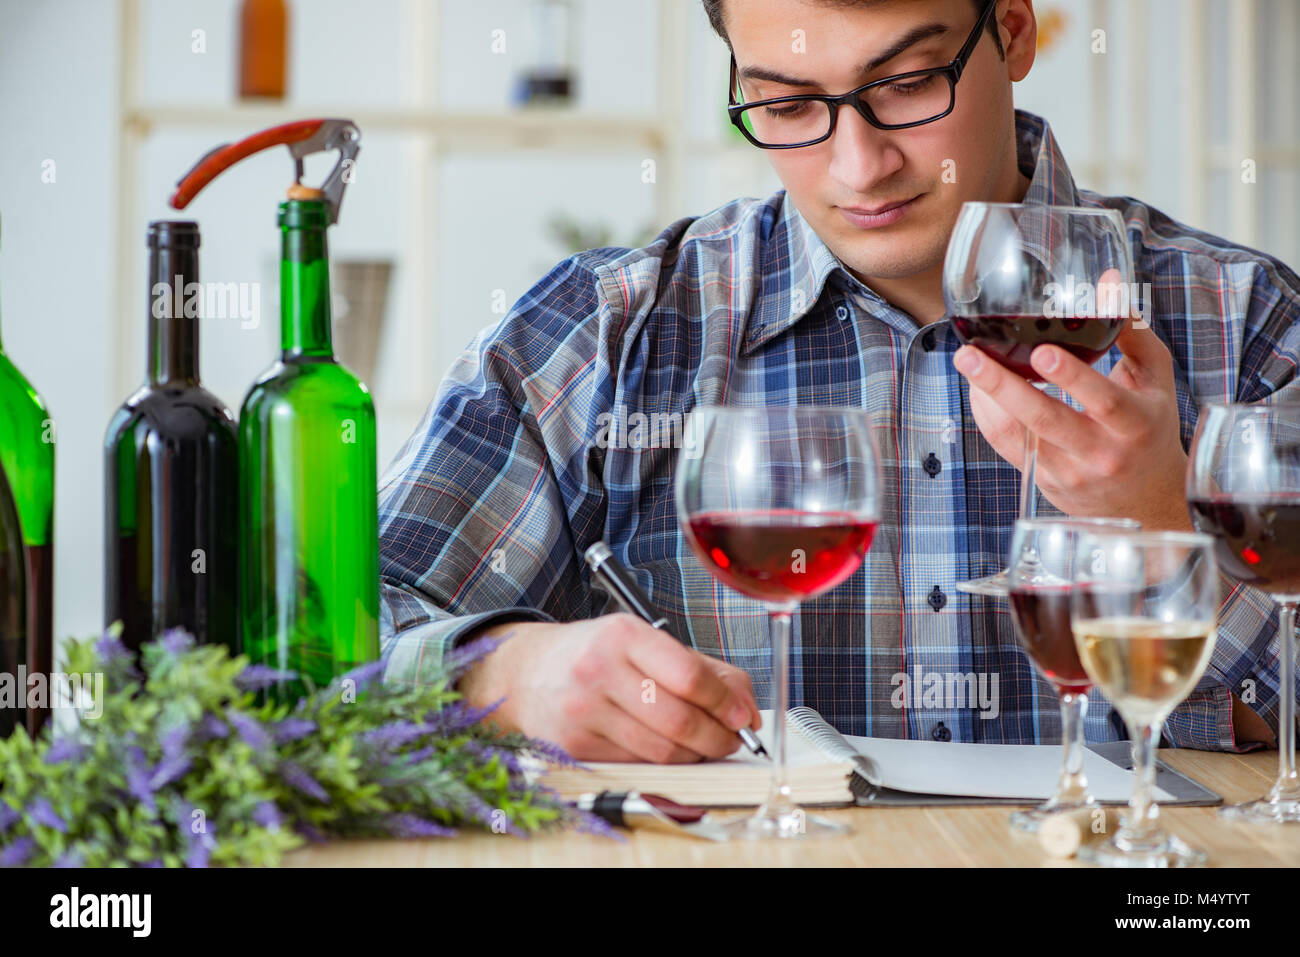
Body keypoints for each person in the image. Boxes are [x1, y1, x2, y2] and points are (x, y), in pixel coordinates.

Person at [377, 0, 1297, 762]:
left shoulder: (1248, 323)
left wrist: (1167, 527)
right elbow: (326, 636)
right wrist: (498, 674)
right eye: (785, 106)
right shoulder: (607, 334)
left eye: (904, 85)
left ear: (1012, 30)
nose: (859, 166)